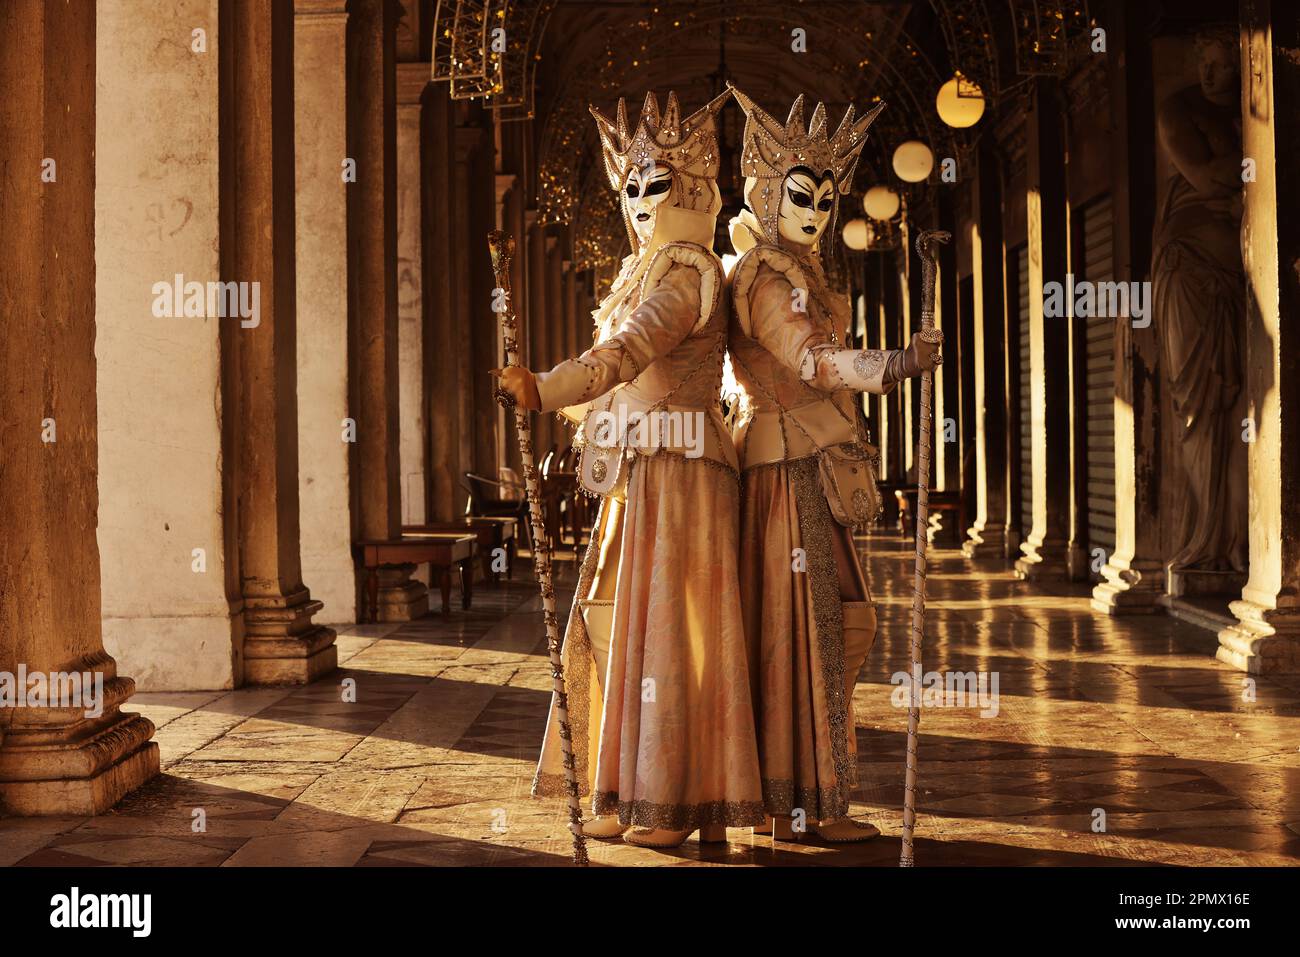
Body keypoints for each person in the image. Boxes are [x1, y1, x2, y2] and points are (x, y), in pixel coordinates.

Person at [497, 90, 765, 848]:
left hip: (684, 476)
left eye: (659, 188)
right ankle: (628, 783)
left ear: (691, 191)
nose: (644, 205)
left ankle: (676, 800)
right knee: (621, 628)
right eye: (632, 188)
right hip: (643, 475)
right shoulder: (647, 271)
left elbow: (629, 351)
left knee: (674, 632)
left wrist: (545, 388)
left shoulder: (685, 274)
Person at [725, 86, 941, 842]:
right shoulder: (765, 278)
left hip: (810, 470)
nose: (816, 213)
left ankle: (806, 798)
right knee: (801, 634)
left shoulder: (796, 271)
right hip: (786, 476)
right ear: (763, 191)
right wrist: (896, 363)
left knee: (830, 626)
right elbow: (813, 361)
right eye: (801, 197)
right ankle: (795, 806)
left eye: (827, 199)